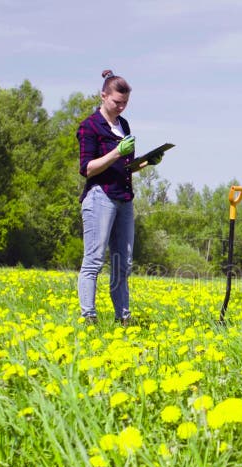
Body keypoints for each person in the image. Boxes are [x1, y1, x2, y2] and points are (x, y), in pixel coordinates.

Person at [76, 69, 161, 325]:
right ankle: (88, 316)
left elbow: (126, 166)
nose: (121, 107)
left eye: (125, 103)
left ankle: (123, 318)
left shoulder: (123, 125)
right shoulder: (89, 126)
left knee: (122, 262)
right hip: (99, 197)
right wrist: (115, 153)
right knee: (94, 260)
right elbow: (87, 168)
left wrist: (147, 162)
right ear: (103, 96)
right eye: (117, 102)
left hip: (124, 198)